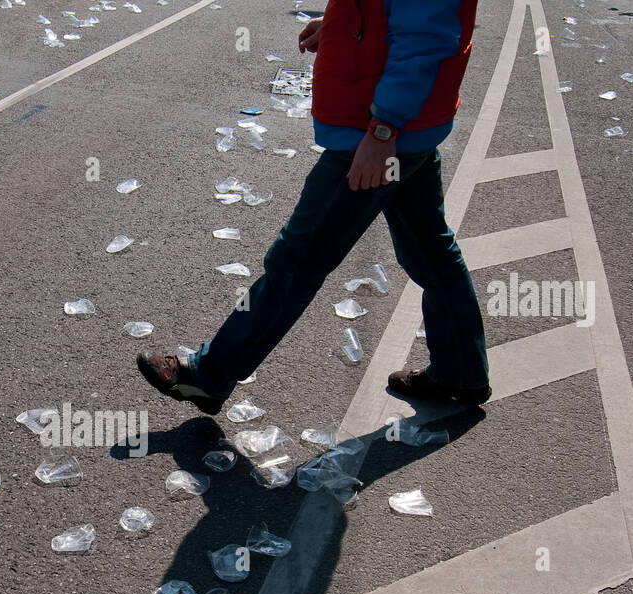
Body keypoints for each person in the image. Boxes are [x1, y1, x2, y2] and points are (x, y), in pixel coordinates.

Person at [137, 0, 490, 416]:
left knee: (297, 260)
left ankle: (209, 375)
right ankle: (461, 371)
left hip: (377, 134)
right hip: (407, 129)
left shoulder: (383, 129)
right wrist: (344, 25)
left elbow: (425, 38)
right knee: (432, 252)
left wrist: (383, 130)